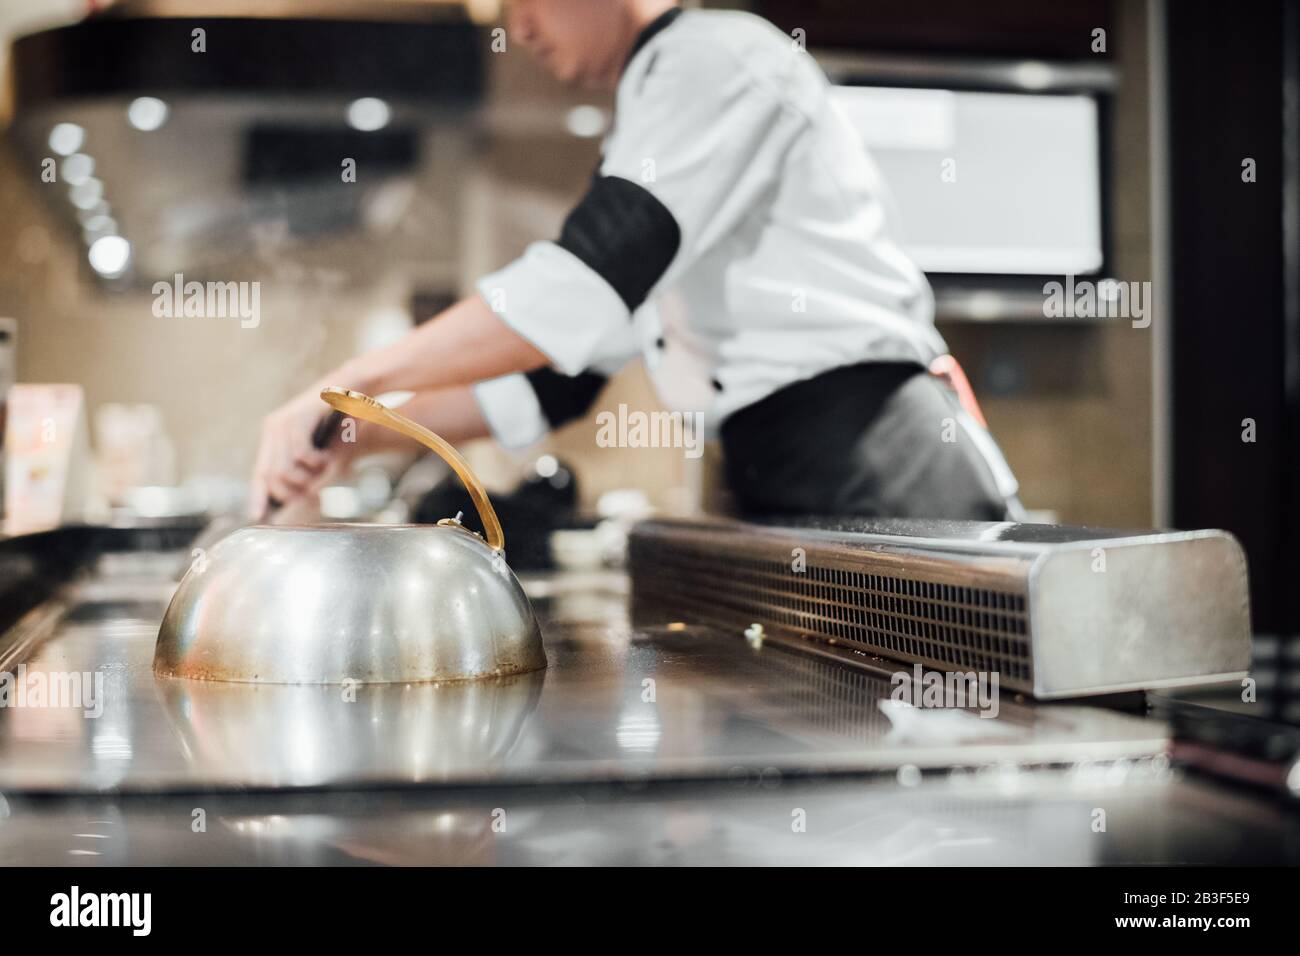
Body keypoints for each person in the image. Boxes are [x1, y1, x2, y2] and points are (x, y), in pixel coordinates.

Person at [250, 0, 1021, 522]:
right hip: (787, 471)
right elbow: (554, 377)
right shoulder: (656, 111)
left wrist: (353, 383)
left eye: (522, 1)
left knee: (937, 736)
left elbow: (590, 277)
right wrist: (355, 434)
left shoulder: (717, 60)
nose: (517, 29)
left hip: (886, 463)